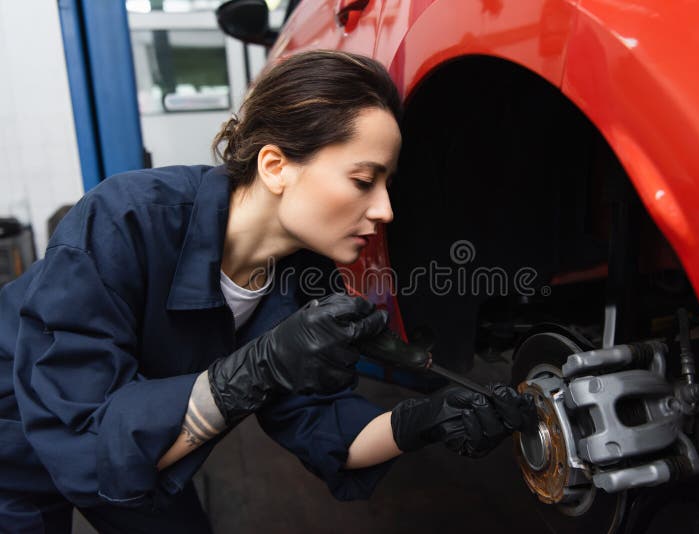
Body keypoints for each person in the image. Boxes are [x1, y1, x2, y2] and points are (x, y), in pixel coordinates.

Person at [0, 50, 535, 532]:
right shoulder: (126, 219)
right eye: (363, 179)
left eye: (388, 184)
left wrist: (429, 419)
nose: (385, 210)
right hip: (19, 435)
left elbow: (326, 427)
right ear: (275, 166)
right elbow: (84, 441)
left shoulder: (303, 279)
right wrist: (254, 370)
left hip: (141, 448)